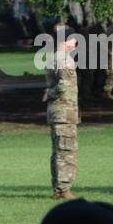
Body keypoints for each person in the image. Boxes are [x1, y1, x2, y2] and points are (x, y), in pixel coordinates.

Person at [45, 26, 80, 199]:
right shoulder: (65, 60)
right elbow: (63, 86)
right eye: (73, 39)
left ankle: (57, 188)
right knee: (66, 151)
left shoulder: (52, 58)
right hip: (64, 111)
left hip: (57, 111)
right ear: (65, 41)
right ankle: (64, 188)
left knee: (58, 151)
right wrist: (49, 94)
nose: (76, 42)